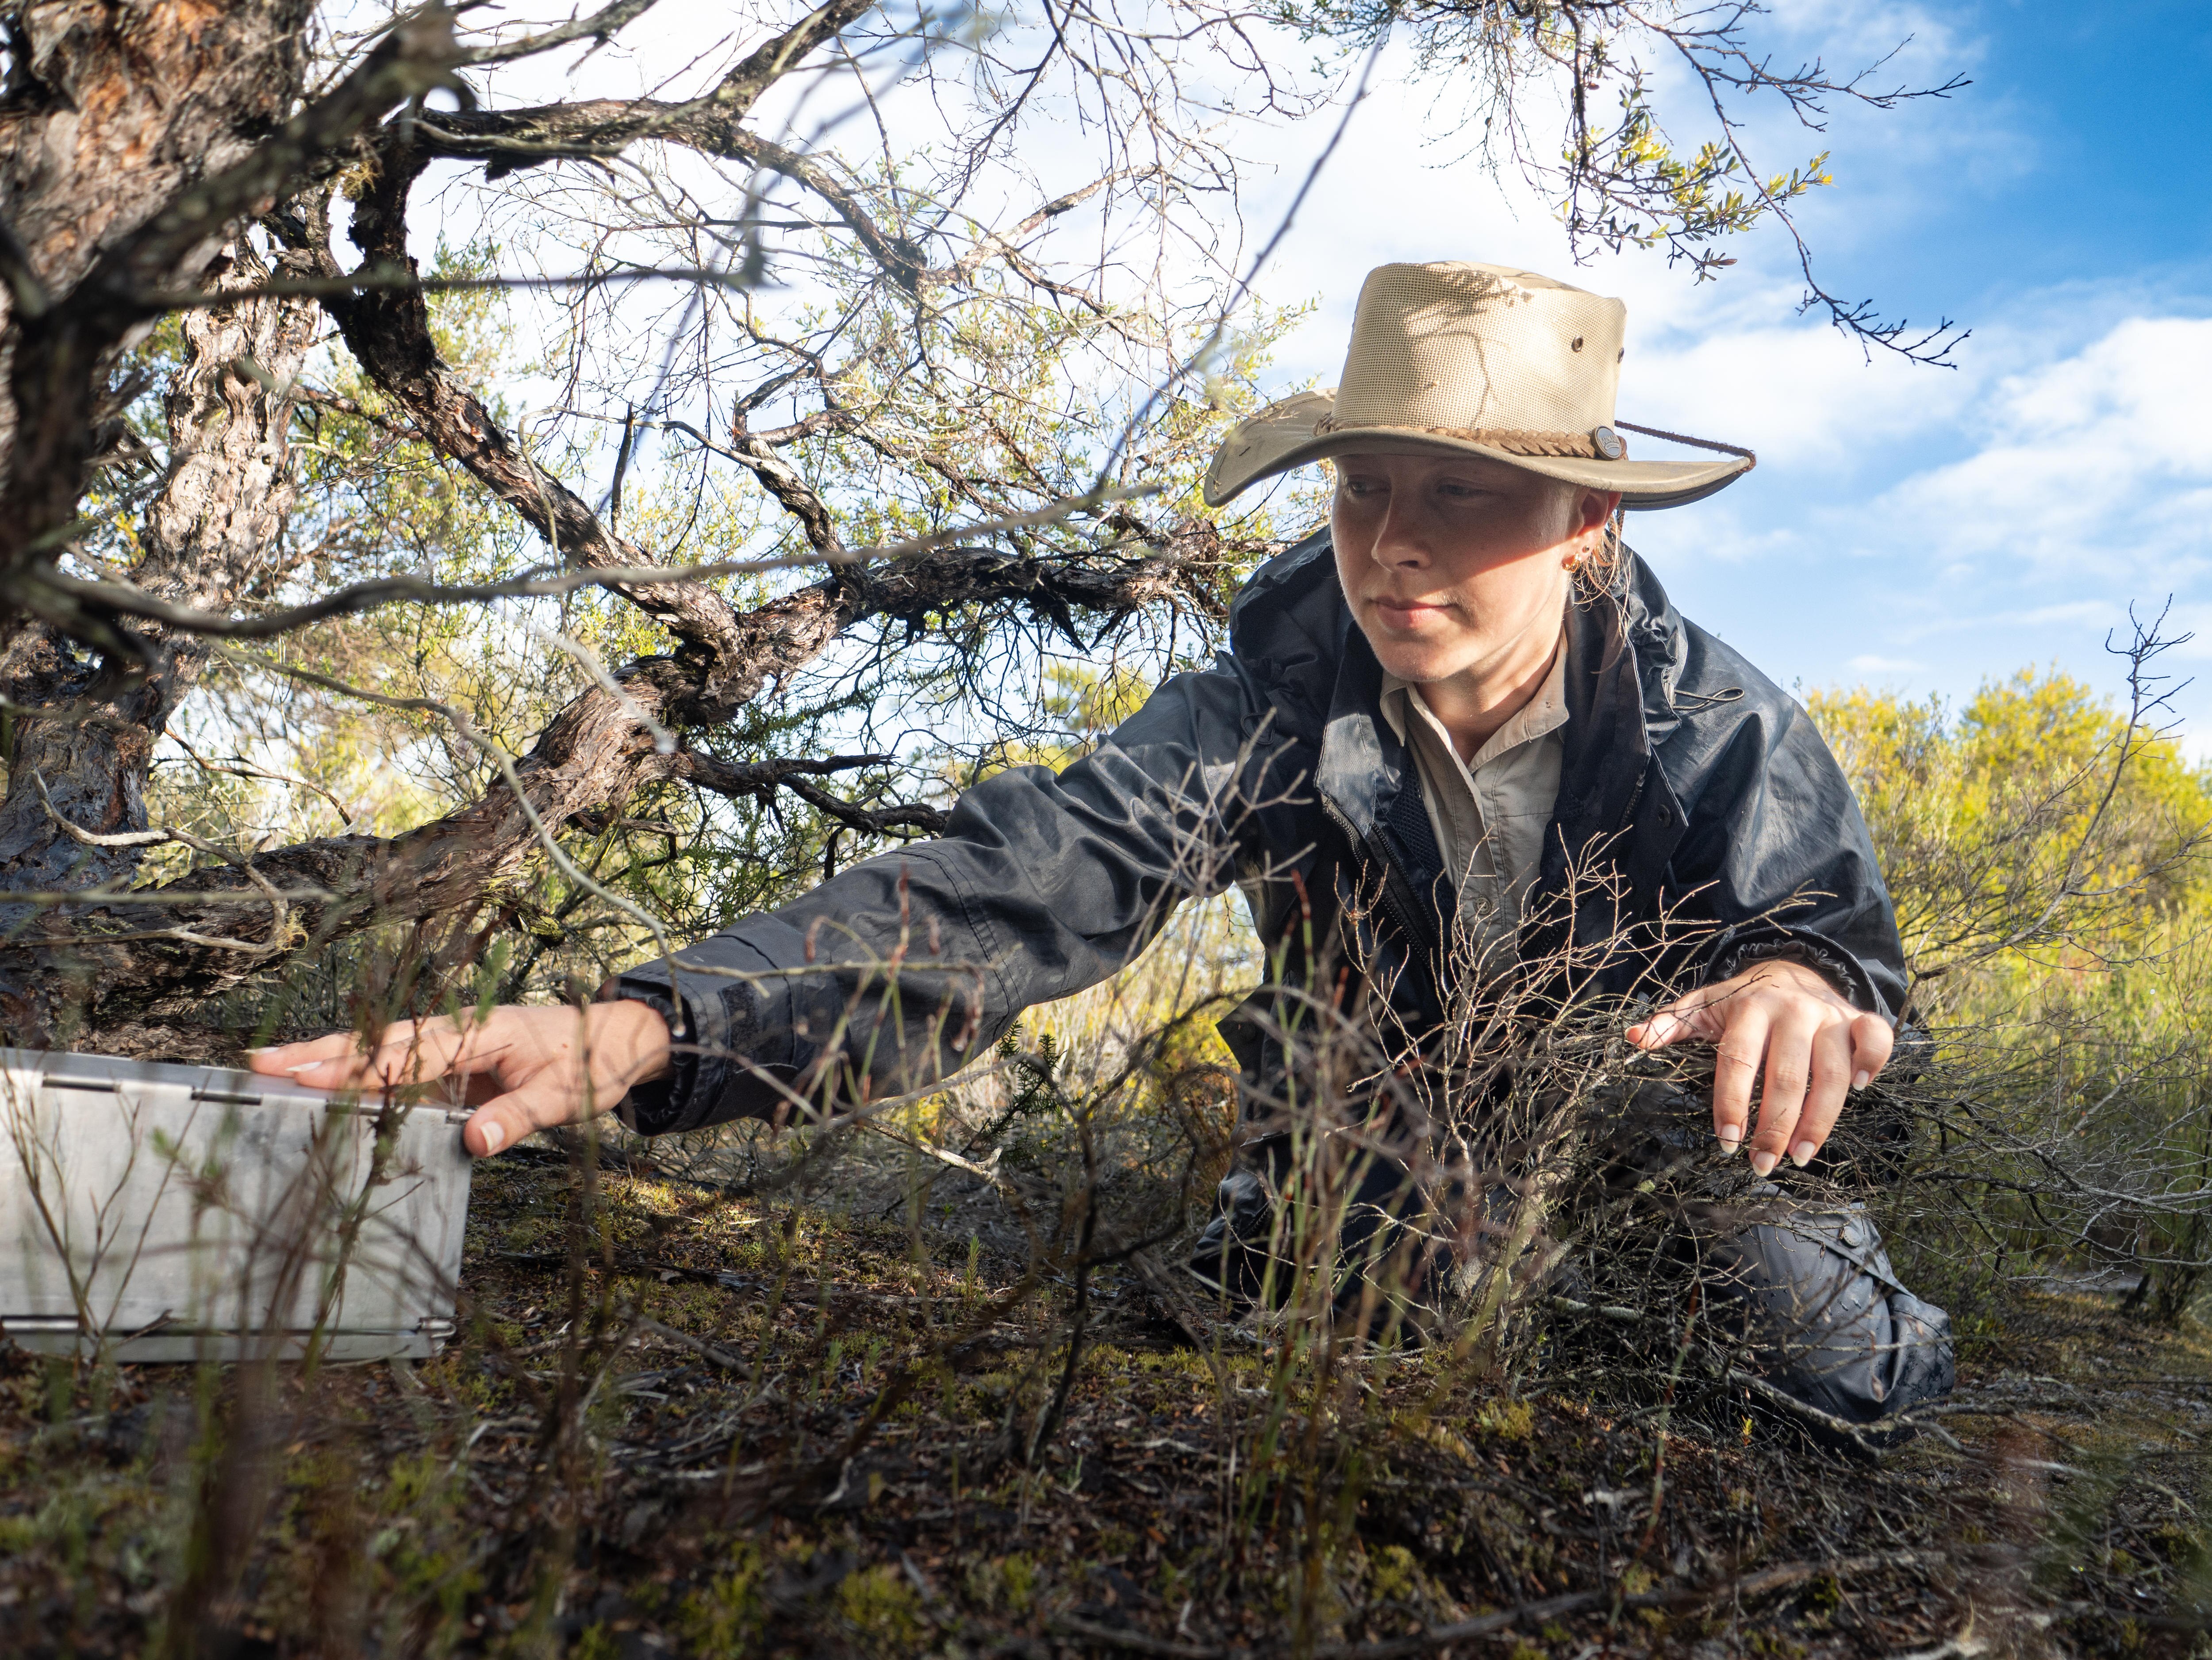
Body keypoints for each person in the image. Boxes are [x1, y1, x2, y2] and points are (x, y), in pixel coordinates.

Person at [253, 261, 1955, 1439]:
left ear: (1586, 525)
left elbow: (1841, 957)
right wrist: (642, 1029)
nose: (1393, 545)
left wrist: (1801, 986)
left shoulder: (1719, 727)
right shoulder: (1278, 698)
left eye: (1461, 494)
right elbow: (1023, 883)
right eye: (1366, 486)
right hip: (1373, 1144)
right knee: (1267, 1332)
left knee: (1822, 1360)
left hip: (1658, 1148)